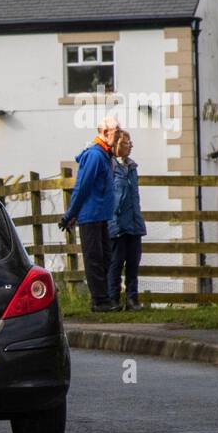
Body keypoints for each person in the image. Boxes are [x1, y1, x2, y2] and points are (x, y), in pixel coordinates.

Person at [59, 114, 119, 312]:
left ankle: (103, 298)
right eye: (115, 133)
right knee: (94, 258)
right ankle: (99, 300)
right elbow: (82, 186)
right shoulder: (95, 155)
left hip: (101, 215)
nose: (118, 138)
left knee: (105, 257)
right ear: (104, 133)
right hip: (91, 215)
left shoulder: (105, 155)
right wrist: (70, 214)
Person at [108, 129, 146, 310]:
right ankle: (113, 299)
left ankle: (132, 299)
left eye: (130, 143)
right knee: (116, 262)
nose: (130, 146)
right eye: (125, 143)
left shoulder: (132, 167)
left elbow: (134, 197)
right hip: (116, 223)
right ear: (115, 145)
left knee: (133, 262)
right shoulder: (110, 166)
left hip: (134, 222)